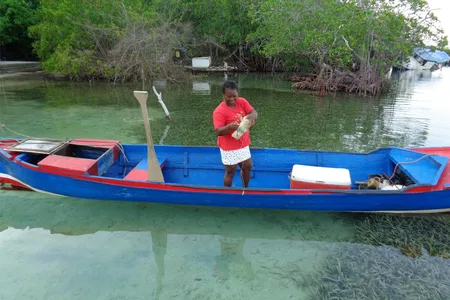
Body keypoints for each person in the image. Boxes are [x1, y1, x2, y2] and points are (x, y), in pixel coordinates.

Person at [213, 80, 258, 188]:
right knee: (230, 171)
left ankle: (245, 188)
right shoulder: (219, 111)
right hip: (229, 147)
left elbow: (254, 112)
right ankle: (227, 194)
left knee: (247, 166)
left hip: (243, 143)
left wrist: (251, 118)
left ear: (237, 93)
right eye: (229, 97)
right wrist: (229, 127)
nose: (232, 99)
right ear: (223, 95)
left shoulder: (242, 102)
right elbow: (218, 132)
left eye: (234, 96)